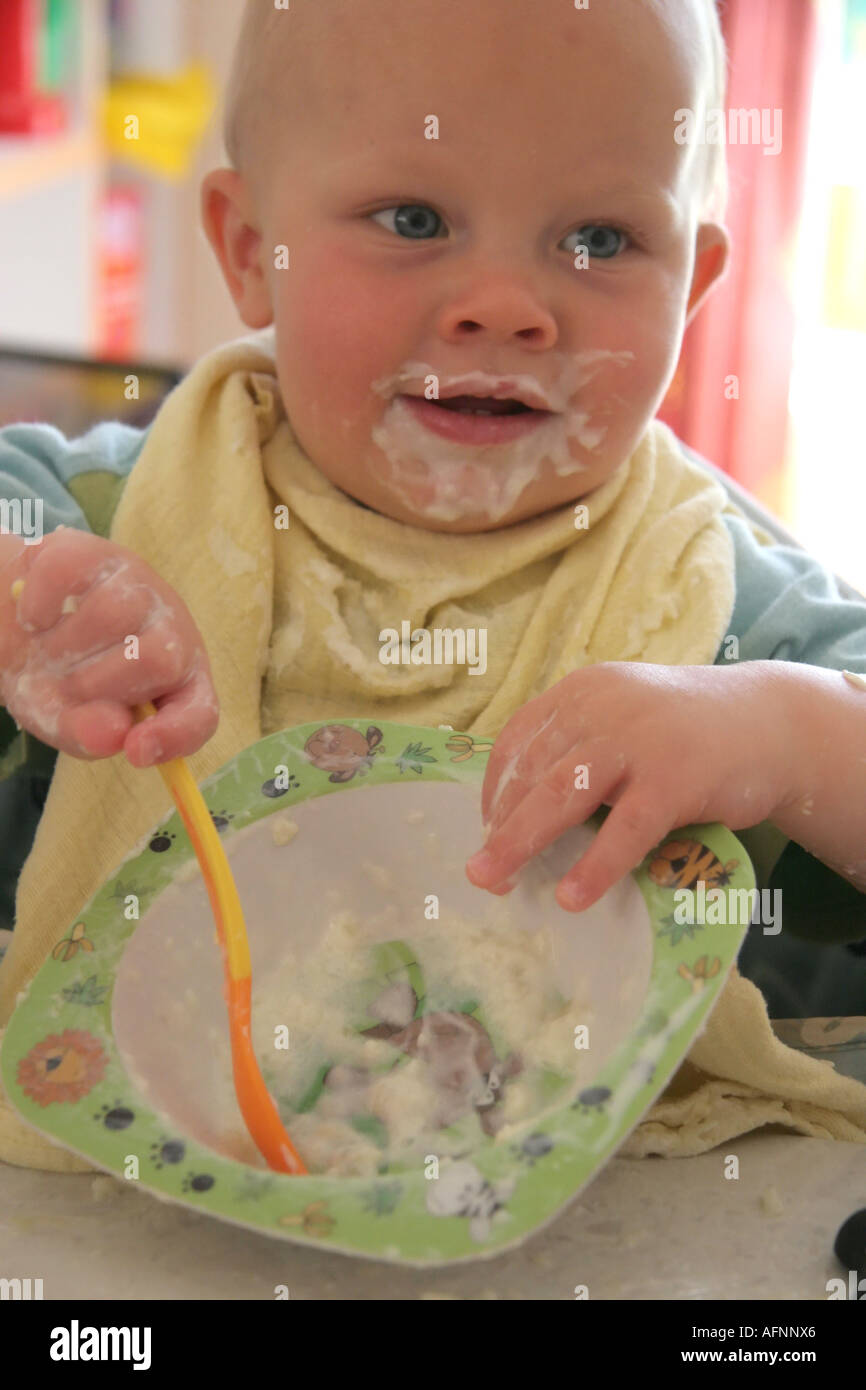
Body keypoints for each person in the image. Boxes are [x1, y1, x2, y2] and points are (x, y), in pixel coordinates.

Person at [1, 0, 864, 1174]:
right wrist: (21, 607)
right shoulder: (102, 518)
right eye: (413, 219)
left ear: (693, 283)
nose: (505, 304)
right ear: (253, 249)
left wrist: (790, 736)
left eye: (601, 241)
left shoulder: (712, 606)